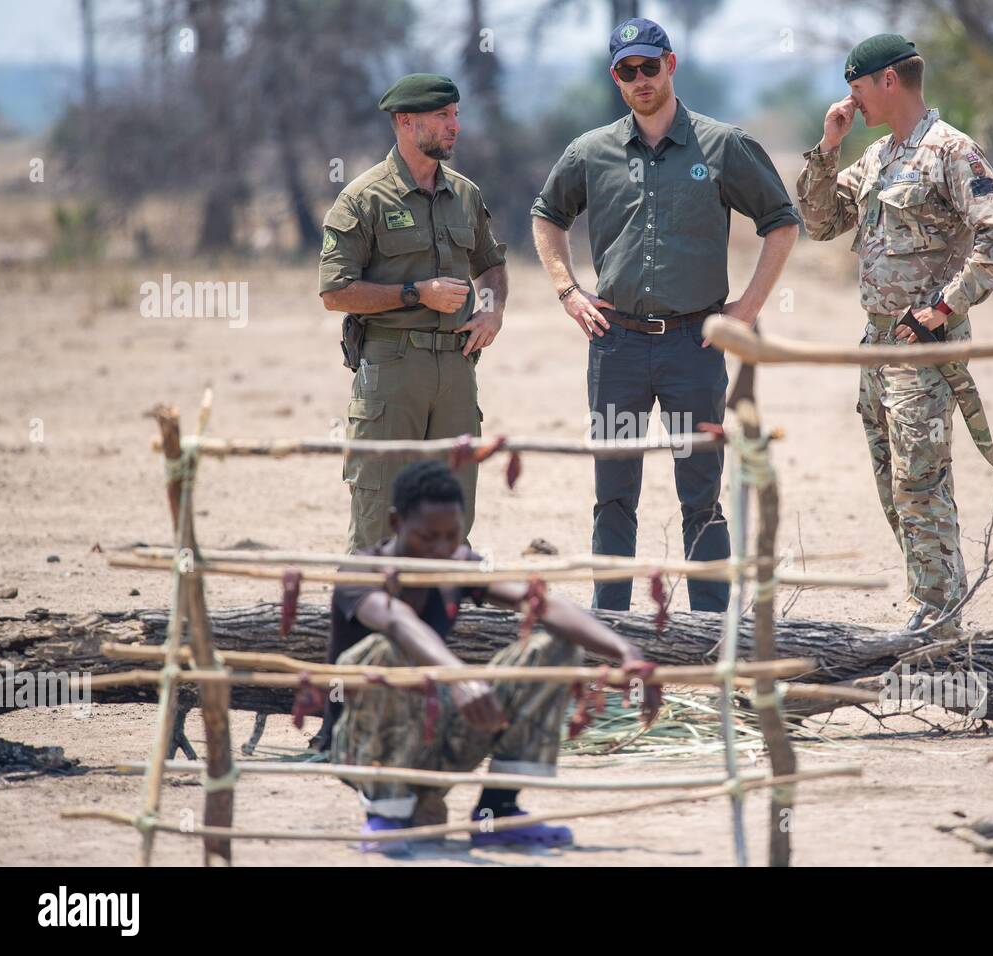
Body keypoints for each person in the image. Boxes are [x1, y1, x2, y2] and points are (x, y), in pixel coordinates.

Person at [531, 17, 801, 613]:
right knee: (613, 495)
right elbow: (547, 215)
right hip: (617, 348)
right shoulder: (591, 151)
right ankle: (610, 630)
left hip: (693, 349)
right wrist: (568, 292)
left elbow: (782, 221)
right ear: (616, 78)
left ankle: (709, 634)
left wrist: (748, 309)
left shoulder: (723, 145)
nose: (640, 80)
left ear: (670, 65)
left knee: (701, 494)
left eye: (649, 67)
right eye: (627, 71)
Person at [795, 34, 993, 634]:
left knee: (919, 481)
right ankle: (932, 599)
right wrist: (828, 145)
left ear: (889, 81)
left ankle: (938, 617)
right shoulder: (878, 156)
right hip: (875, 346)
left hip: (922, 346)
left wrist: (943, 309)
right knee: (892, 485)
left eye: (857, 90)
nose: (853, 102)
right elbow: (819, 223)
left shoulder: (950, 151)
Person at [321, 460, 645, 854]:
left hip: (438, 739)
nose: (441, 549)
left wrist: (625, 652)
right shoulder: (362, 573)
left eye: (451, 536)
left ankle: (498, 815)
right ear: (395, 523)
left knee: (556, 647)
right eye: (427, 538)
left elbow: (541, 603)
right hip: (363, 746)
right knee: (387, 653)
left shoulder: (457, 565)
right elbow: (400, 624)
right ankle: (388, 815)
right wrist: (460, 678)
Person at [320, 73, 507, 551]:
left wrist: (491, 309)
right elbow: (336, 291)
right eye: (443, 116)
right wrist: (415, 293)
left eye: (457, 115)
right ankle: (368, 618)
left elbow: (491, 266)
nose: (455, 126)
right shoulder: (364, 198)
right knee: (378, 513)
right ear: (405, 121)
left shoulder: (465, 194)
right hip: (392, 371)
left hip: (456, 372)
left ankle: (445, 619)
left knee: (453, 512)